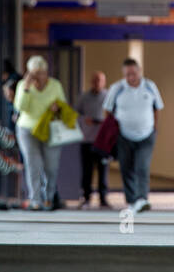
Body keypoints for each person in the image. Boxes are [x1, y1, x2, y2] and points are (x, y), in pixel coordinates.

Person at [103, 58, 164, 213]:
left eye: (134, 73)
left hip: (146, 134)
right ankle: (132, 200)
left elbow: (157, 108)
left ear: (139, 71)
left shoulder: (150, 86)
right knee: (126, 167)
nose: (131, 76)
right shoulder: (116, 88)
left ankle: (142, 199)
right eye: (128, 74)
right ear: (124, 74)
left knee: (142, 166)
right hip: (123, 135)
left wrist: (155, 127)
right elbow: (108, 110)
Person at [12, 55, 68, 210]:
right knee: (33, 165)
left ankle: (49, 198)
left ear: (46, 72)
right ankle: (35, 199)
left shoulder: (55, 85)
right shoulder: (23, 85)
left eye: (41, 73)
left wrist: (58, 107)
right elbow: (20, 108)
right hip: (27, 130)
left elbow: (63, 105)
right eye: (34, 73)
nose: (38, 77)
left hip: (50, 129)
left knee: (51, 166)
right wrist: (26, 88)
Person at [74, 70, 111, 209]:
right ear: (91, 82)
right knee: (87, 170)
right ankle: (86, 197)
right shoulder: (84, 97)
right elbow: (75, 114)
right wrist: (84, 120)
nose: (97, 83)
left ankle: (103, 197)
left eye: (100, 80)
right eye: (95, 80)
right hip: (87, 138)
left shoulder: (108, 96)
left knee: (103, 170)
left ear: (104, 82)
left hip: (103, 141)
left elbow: (114, 115)